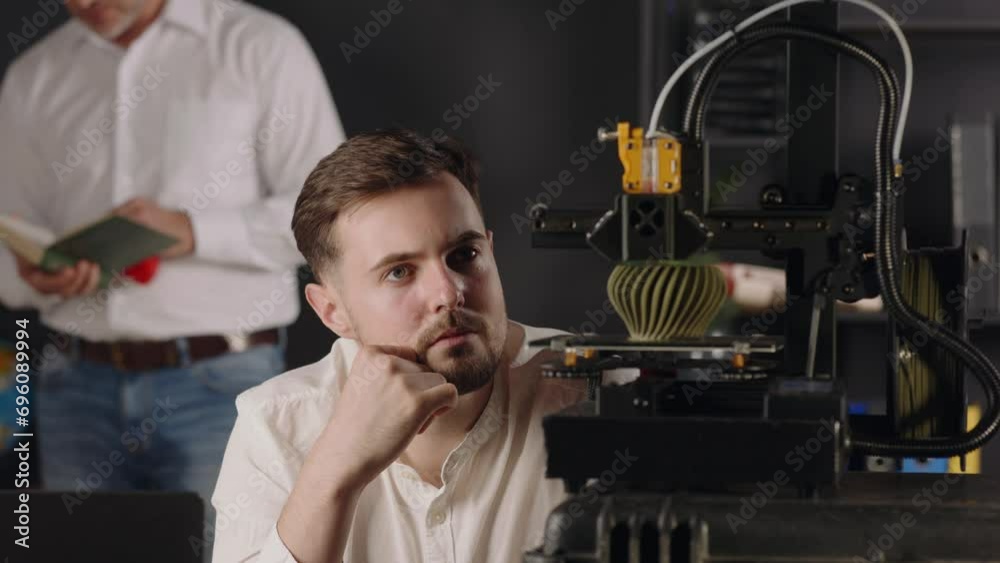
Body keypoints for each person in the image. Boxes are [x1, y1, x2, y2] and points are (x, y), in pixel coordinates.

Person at [0, 0, 343, 553]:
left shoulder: (259, 45)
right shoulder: (33, 76)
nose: (83, 4)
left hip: (223, 385)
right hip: (73, 387)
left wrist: (192, 231)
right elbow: (8, 236)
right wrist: (29, 276)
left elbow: (332, 214)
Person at [210, 130, 607, 562]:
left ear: (491, 252)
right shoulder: (275, 427)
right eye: (399, 272)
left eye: (464, 255)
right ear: (332, 312)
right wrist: (336, 471)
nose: (448, 293)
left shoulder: (600, 392)